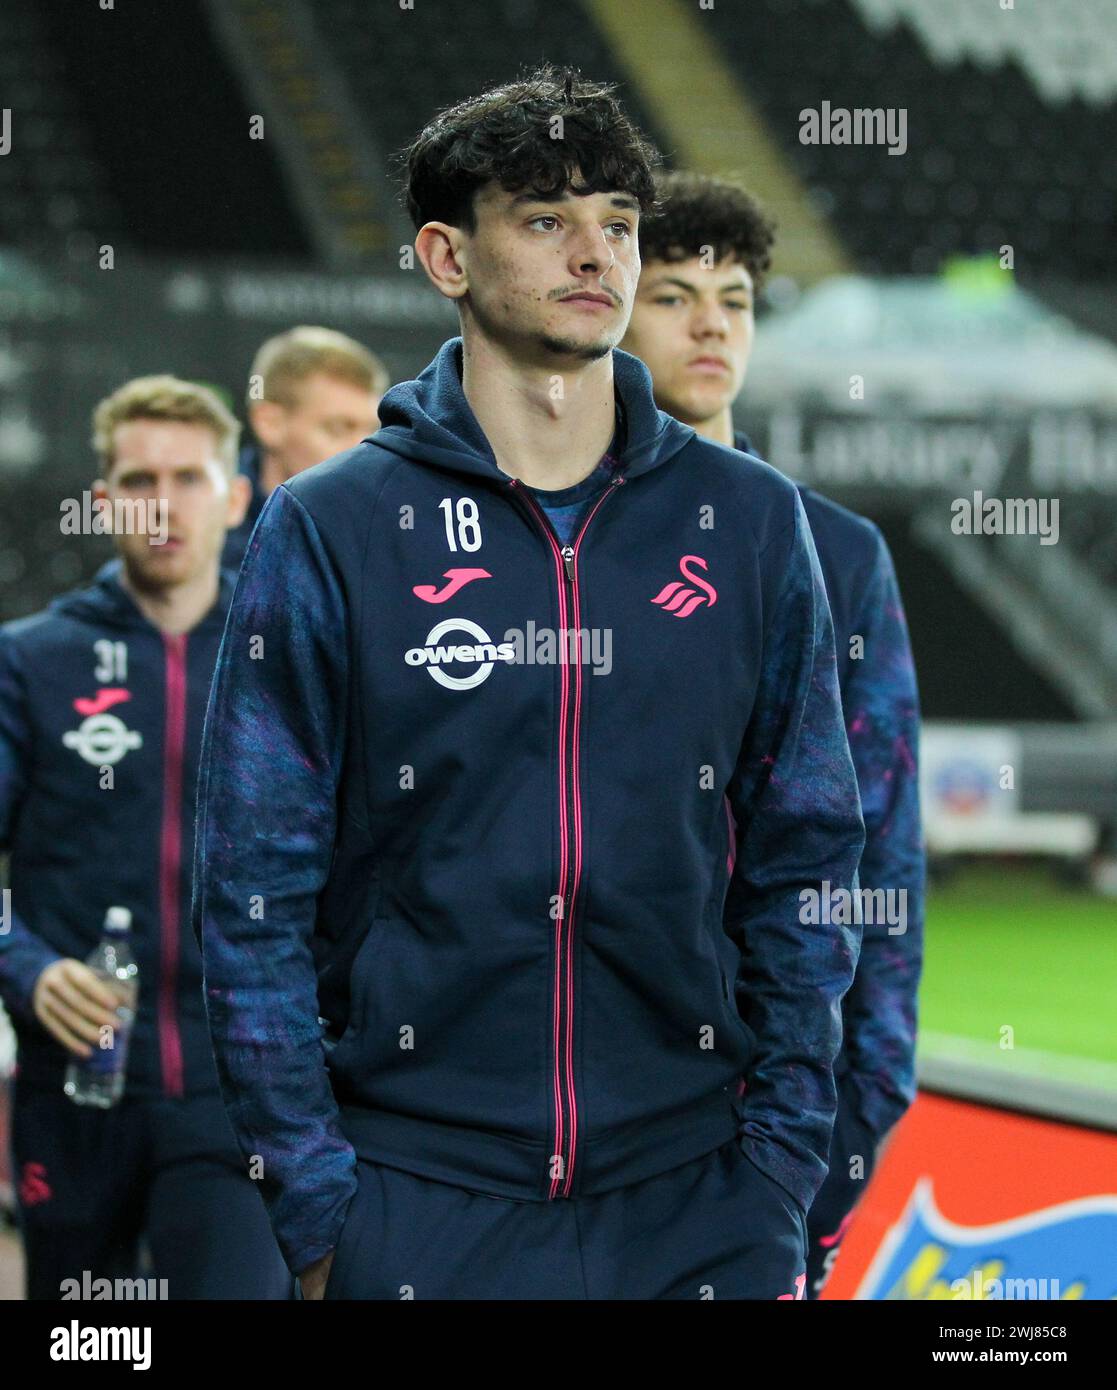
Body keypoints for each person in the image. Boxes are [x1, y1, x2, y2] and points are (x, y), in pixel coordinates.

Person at [194, 66, 865, 1301]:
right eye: (545, 218)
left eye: (616, 219)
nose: (595, 250)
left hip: (699, 1190)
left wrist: (778, 1163)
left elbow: (809, 849)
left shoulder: (753, 521)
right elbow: (251, 886)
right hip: (416, 1192)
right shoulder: (333, 526)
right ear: (446, 257)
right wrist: (317, 1199)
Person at [621, 170, 925, 1296]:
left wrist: (843, 1130)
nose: (711, 322)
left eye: (736, 297)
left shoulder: (839, 556)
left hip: (764, 1119)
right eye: (675, 293)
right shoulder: (550, 545)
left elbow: (879, 859)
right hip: (574, 1115)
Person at [0, 376, 290, 1299]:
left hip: (235, 1092)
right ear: (101, 499)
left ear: (235, 494)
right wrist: (29, 969)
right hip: (73, 1091)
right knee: (88, 1344)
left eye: (188, 477)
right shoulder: (32, 660)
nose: (161, 504)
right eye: (136, 480)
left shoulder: (285, 656)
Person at [222, 326, 389, 570]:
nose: (365, 450)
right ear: (270, 424)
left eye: (373, 431)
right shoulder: (207, 533)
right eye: (339, 428)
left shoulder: (394, 527)